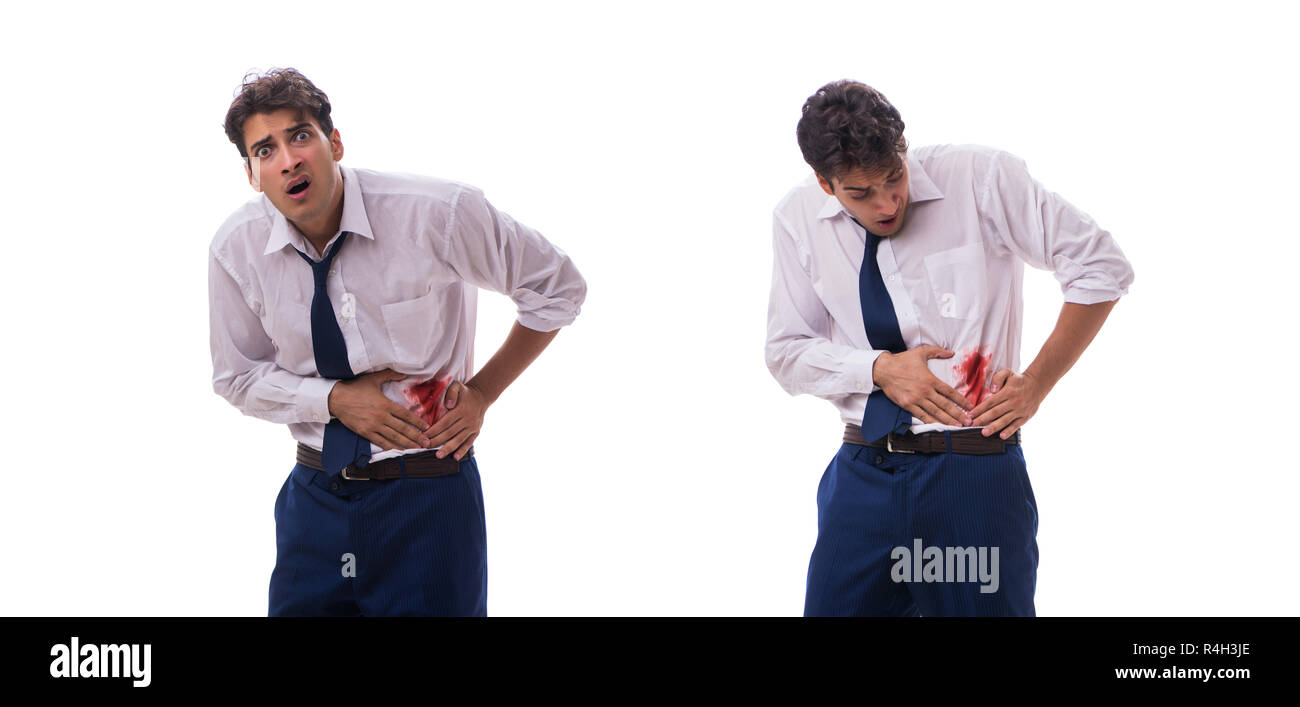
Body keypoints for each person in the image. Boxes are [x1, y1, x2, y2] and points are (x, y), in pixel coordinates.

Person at [209, 68, 587, 616]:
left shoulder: (435, 214)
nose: (288, 160)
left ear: (333, 142)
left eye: (300, 135)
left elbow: (558, 287)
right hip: (316, 498)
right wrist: (335, 400)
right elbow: (235, 376)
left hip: (428, 497)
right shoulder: (236, 249)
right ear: (252, 174)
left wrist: (482, 394)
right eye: (264, 150)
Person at [765, 80, 1133, 616]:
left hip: (971, 477)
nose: (888, 202)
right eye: (860, 194)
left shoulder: (981, 179)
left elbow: (1102, 266)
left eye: (894, 178)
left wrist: (1036, 384)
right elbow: (785, 350)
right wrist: (879, 370)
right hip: (862, 474)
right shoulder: (797, 219)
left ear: (903, 149)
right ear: (825, 183)